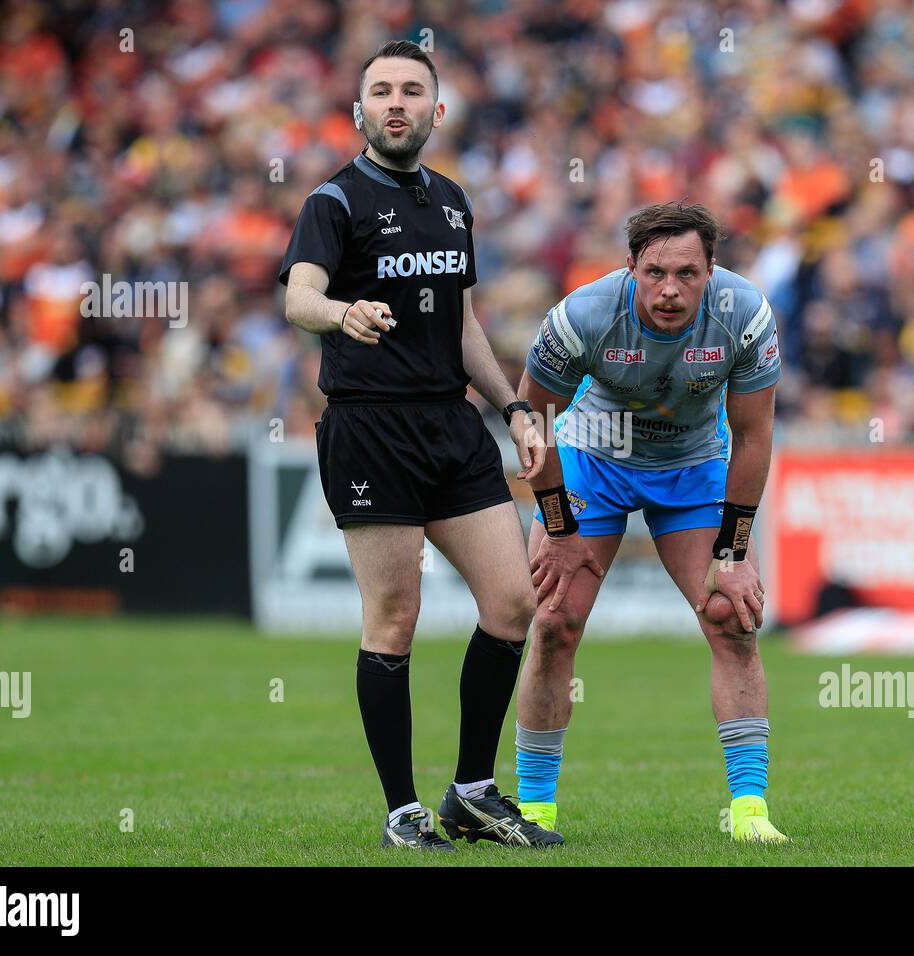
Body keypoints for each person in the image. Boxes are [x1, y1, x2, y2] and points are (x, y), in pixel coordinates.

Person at [280, 40, 561, 850]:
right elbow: (301, 295)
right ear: (359, 110)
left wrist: (511, 405)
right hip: (370, 426)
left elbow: (463, 322)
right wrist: (343, 314)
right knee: (395, 618)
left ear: (437, 111)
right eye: (381, 91)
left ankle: (471, 790)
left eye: (412, 91)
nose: (396, 103)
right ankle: (402, 809)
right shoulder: (333, 201)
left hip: (453, 423)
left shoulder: (453, 201)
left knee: (513, 604)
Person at [514, 201, 788, 843]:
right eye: (656, 271)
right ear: (630, 266)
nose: (671, 290)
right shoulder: (583, 314)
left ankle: (750, 814)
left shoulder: (745, 315)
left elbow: (753, 437)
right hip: (592, 459)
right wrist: (557, 526)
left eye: (688, 273)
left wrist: (734, 548)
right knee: (553, 620)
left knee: (730, 616)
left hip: (691, 466)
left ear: (712, 270)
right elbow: (531, 419)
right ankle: (533, 812)